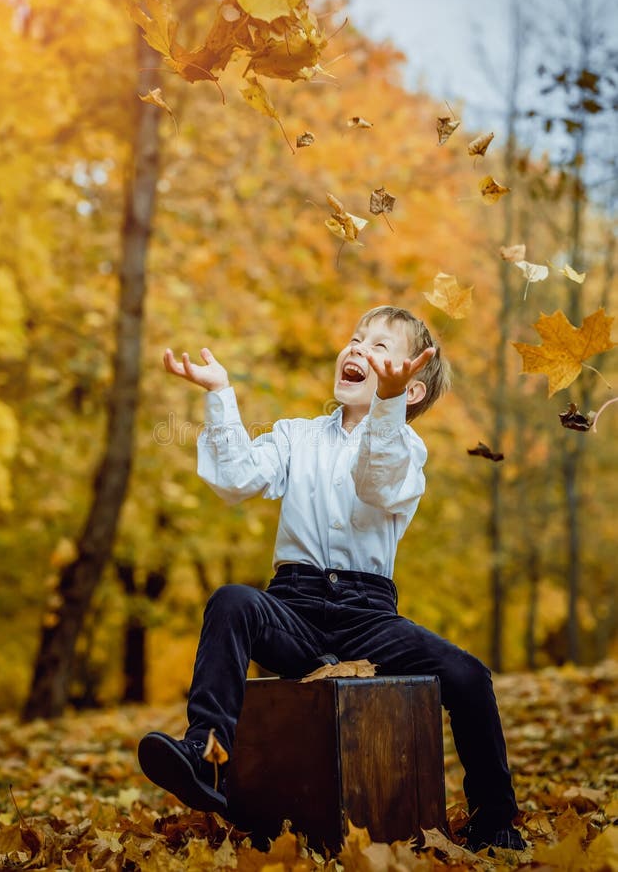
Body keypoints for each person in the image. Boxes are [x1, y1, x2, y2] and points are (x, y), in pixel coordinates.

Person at [139, 305, 525, 853]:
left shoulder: (406, 450)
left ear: (410, 390)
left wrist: (386, 406)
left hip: (370, 621)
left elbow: (376, 480)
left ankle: (496, 818)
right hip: (293, 609)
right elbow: (235, 478)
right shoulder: (296, 436)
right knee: (231, 601)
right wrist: (220, 395)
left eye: (380, 347)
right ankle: (206, 757)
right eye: (354, 338)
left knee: (468, 677)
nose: (356, 348)